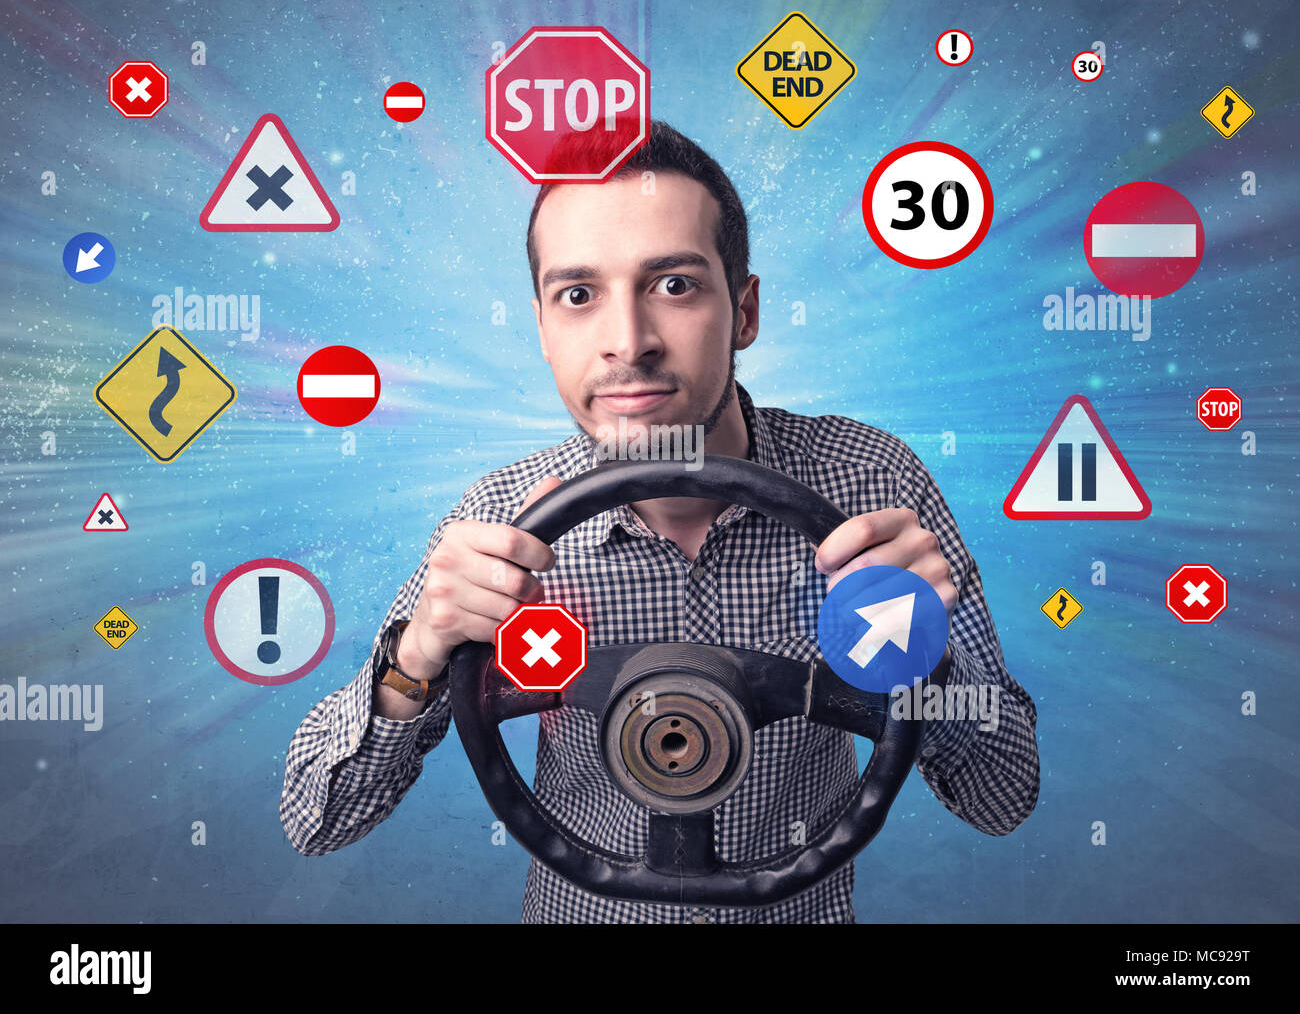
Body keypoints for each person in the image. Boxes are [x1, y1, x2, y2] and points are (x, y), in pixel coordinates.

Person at [280, 120, 1039, 923]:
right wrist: (418, 658)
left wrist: (924, 654)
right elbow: (319, 819)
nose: (627, 342)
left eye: (673, 285)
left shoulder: (870, 484)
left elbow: (1002, 796)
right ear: (542, 327)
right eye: (579, 295)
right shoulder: (501, 521)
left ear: (744, 311)